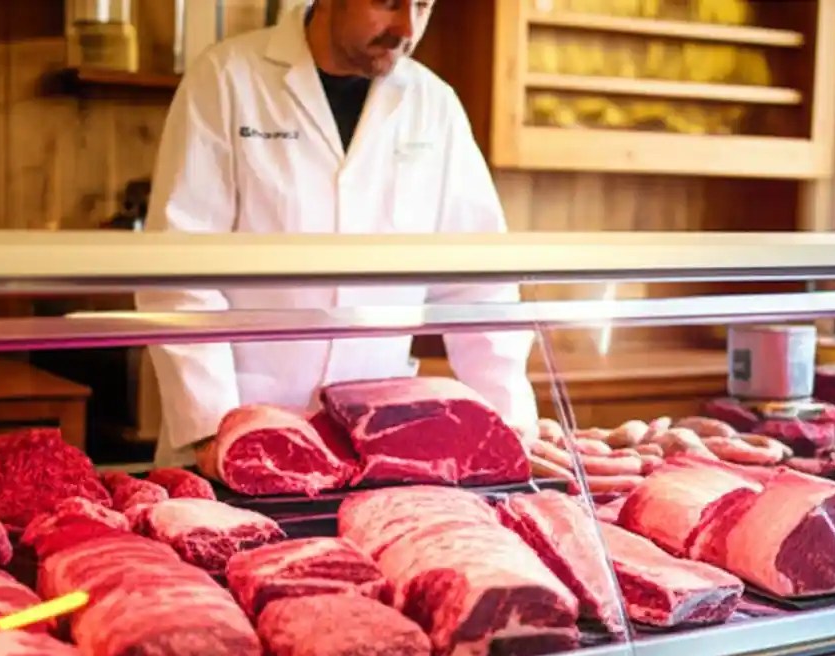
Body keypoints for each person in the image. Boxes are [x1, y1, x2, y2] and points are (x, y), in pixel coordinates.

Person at [136, 0, 539, 470]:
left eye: (423, 5)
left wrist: (509, 422)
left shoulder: (434, 105)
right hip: (235, 431)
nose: (407, 27)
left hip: (376, 442)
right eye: (388, 3)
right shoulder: (227, 79)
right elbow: (179, 272)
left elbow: (480, 283)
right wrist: (211, 430)